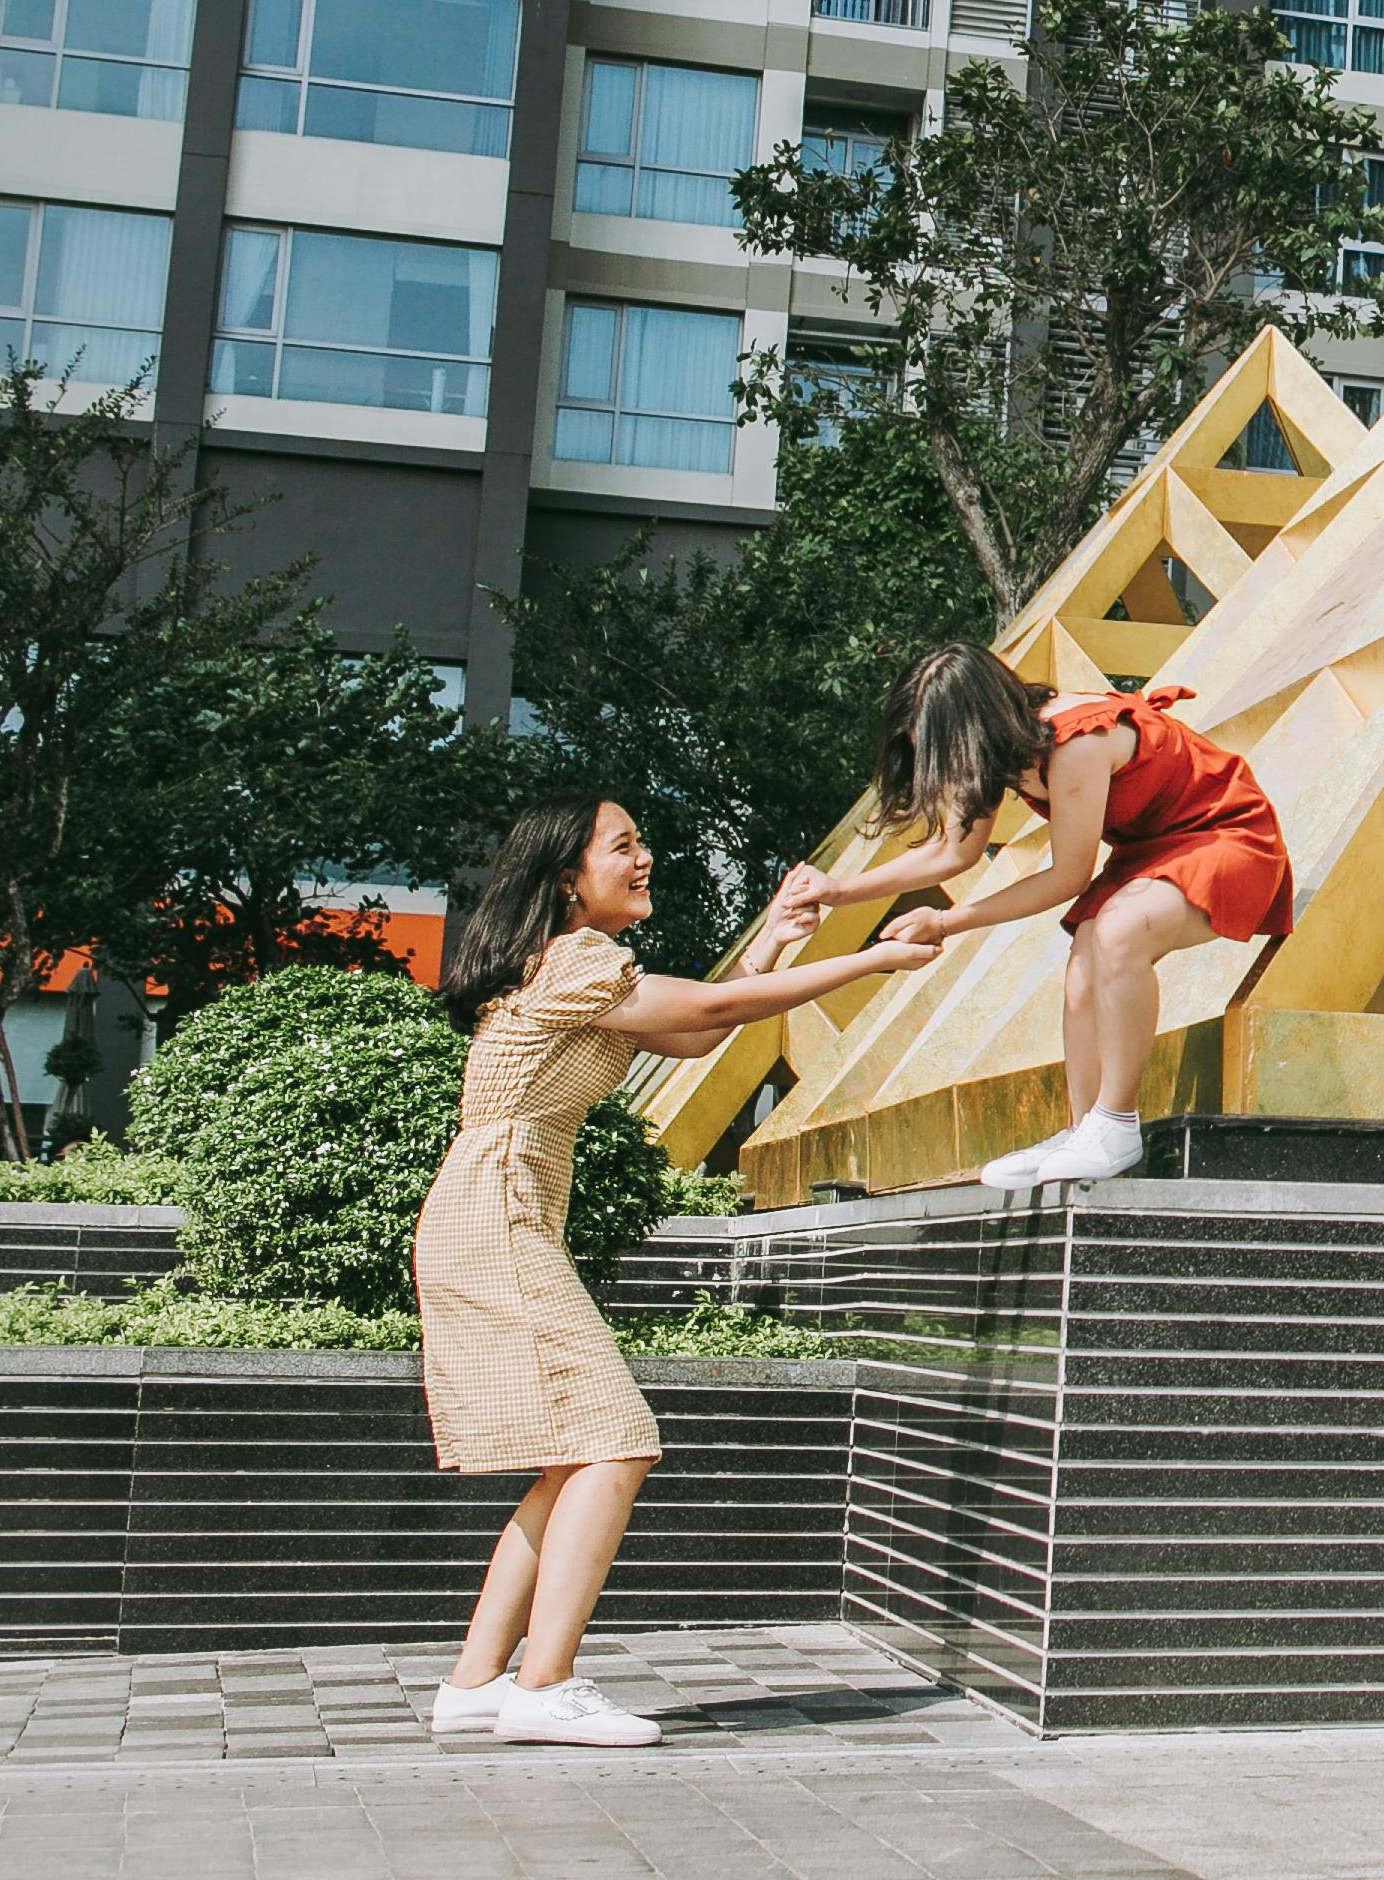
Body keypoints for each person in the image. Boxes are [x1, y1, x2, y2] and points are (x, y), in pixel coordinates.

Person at [418, 798, 942, 1748]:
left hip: (491, 1206)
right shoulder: (578, 959)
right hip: (498, 1211)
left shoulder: (573, 968)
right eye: (624, 847)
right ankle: (545, 1685)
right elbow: (708, 1010)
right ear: (567, 877)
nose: (645, 859)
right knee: (617, 1439)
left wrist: (774, 945)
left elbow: (695, 1033)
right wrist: (864, 960)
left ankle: (477, 1683)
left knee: (577, 1455)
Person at [789, 646, 1292, 1192]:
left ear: (972, 725)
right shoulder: (996, 752)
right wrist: (839, 890)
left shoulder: (1073, 743)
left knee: (1118, 931)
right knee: (1082, 963)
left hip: (1228, 835)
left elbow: (1068, 877)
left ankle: (1116, 1122)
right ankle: (1084, 1130)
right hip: (1152, 849)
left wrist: (947, 921)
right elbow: (951, 854)